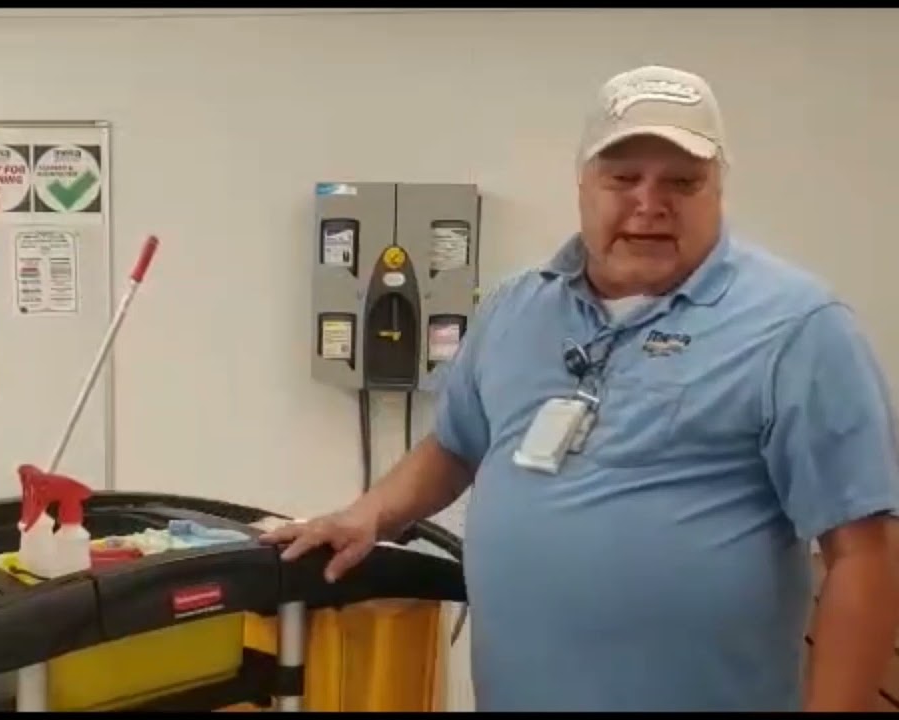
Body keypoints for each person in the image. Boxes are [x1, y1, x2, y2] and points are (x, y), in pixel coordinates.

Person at [262, 64, 899, 712]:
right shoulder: (516, 307)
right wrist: (369, 514)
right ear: (582, 182)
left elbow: (864, 557)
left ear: (719, 190)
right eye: (623, 178)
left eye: (683, 181)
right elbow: (456, 444)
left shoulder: (797, 328)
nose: (650, 203)